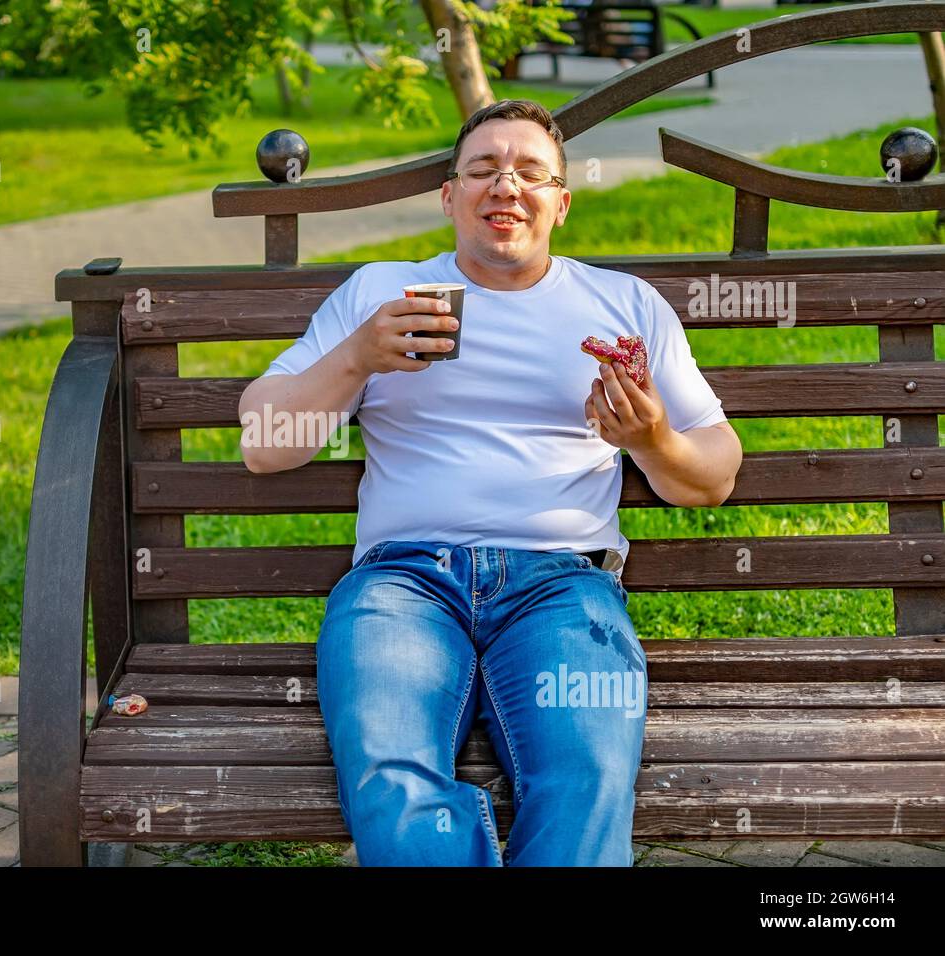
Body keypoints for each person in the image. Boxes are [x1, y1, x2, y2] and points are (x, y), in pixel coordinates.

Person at [237, 98, 742, 866]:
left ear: (560, 203)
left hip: (563, 586)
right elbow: (264, 445)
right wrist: (355, 360)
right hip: (404, 585)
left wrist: (653, 439)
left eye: (531, 173)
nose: (506, 185)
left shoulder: (624, 305)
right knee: (389, 766)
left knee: (587, 770)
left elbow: (711, 477)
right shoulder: (384, 293)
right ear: (450, 197)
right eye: (483, 169)